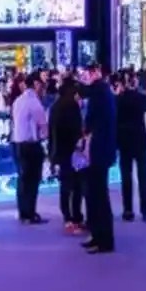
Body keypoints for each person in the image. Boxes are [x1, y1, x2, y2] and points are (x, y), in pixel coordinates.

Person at [81, 63, 116, 254]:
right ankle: (97, 235)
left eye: (87, 73)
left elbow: (91, 121)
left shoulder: (99, 93)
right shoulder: (103, 92)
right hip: (100, 150)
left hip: (98, 151)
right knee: (94, 194)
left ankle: (103, 239)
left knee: (98, 196)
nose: (84, 77)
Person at [116, 72, 146, 222]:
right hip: (140, 139)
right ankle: (145, 210)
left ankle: (128, 209)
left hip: (124, 140)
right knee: (143, 176)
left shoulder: (118, 99)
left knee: (126, 176)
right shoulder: (142, 98)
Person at [49, 78, 85, 232]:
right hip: (72, 151)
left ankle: (67, 217)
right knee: (76, 186)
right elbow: (76, 130)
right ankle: (75, 216)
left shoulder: (55, 106)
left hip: (59, 150)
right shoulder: (72, 106)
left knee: (65, 185)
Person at [11, 75, 48, 225]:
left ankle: (22, 211)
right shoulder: (35, 103)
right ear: (35, 84)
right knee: (33, 180)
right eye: (41, 84)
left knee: (22, 179)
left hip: (18, 143)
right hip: (32, 145)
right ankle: (30, 213)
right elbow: (44, 127)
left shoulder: (17, 101)